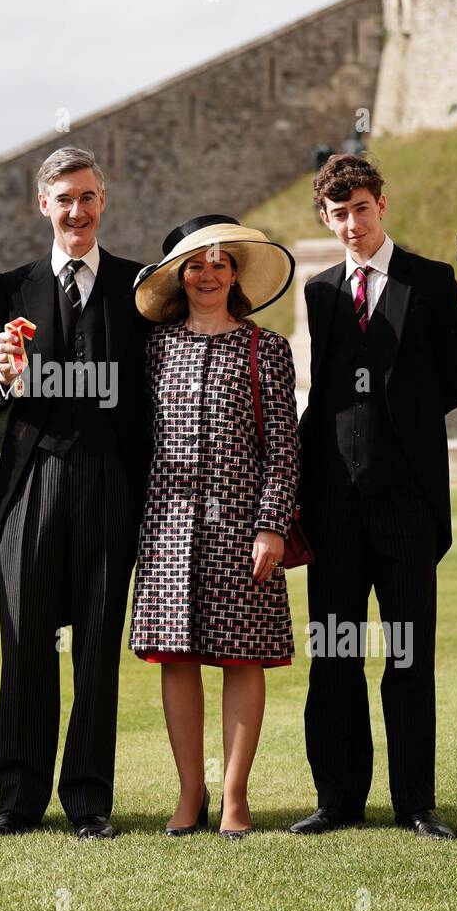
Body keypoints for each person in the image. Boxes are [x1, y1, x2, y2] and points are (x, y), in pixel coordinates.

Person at [292, 153, 457, 839]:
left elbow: (455, 382)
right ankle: (338, 799)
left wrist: (399, 426)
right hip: (333, 502)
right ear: (326, 219)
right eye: (338, 214)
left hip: (405, 503)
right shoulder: (323, 291)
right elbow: (328, 388)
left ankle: (415, 804)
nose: (352, 223)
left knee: (406, 654)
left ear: (382, 206)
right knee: (334, 653)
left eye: (361, 208)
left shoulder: (430, 281)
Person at [0, 146, 151, 838]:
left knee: (96, 648)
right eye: (62, 199)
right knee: (25, 644)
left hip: (111, 481)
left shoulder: (139, 286)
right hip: (32, 484)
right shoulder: (15, 287)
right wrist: (6, 379)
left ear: (101, 202)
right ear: (42, 206)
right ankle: (18, 801)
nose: (75, 210)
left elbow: (146, 391)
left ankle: (88, 802)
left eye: (86, 197)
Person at [129, 216, 298, 837]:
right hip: (168, 526)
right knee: (177, 659)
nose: (207, 274)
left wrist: (272, 526)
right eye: (195, 264)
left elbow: (284, 446)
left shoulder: (266, 348)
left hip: (243, 526)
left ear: (236, 274)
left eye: (220, 262)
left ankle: (234, 797)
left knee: (242, 658)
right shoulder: (154, 347)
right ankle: (187, 792)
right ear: (178, 275)